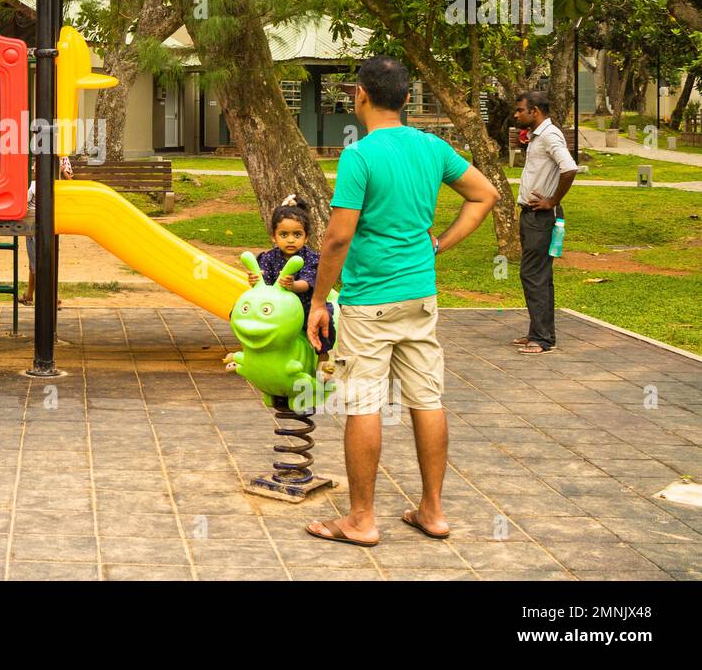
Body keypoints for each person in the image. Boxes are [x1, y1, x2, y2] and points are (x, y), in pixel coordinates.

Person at [305, 56, 498, 547]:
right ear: (408, 99)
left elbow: (336, 239)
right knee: (427, 400)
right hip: (421, 297)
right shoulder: (433, 147)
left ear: (360, 96)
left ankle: (361, 520)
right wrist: (439, 244)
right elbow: (485, 194)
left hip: (370, 302)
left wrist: (320, 301)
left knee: (363, 405)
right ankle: (433, 512)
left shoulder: (360, 155)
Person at [511, 91, 578, 354]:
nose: (516, 115)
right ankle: (539, 333)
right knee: (539, 275)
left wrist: (551, 201)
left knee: (534, 275)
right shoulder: (539, 136)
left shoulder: (549, 135)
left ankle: (542, 339)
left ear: (535, 110)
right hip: (532, 215)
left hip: (541, 216)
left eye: (520, 110)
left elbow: (569, 168)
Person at [245, 194, 334, 354]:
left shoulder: (311, 258)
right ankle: (249, 351)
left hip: (304, 306)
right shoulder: (268, 258)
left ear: (306, 237)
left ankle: (323, 357)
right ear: (274, 236)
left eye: (297, 234)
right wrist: (254, 281)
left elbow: (307, 283)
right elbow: (263, 286)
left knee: (323, 321)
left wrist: (293, 285)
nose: (290, 240)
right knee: (244, 314)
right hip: (277, 309)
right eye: (284, 235)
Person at [21, 157, 72, 307]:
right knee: (36, 263)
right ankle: (30, 295)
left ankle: (53, 297)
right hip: (48, 226)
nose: (35, 168)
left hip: (34, 228)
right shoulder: (53, 186)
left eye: (37, 166)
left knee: (38, 263)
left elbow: (23, 204)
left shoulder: (35, 186)